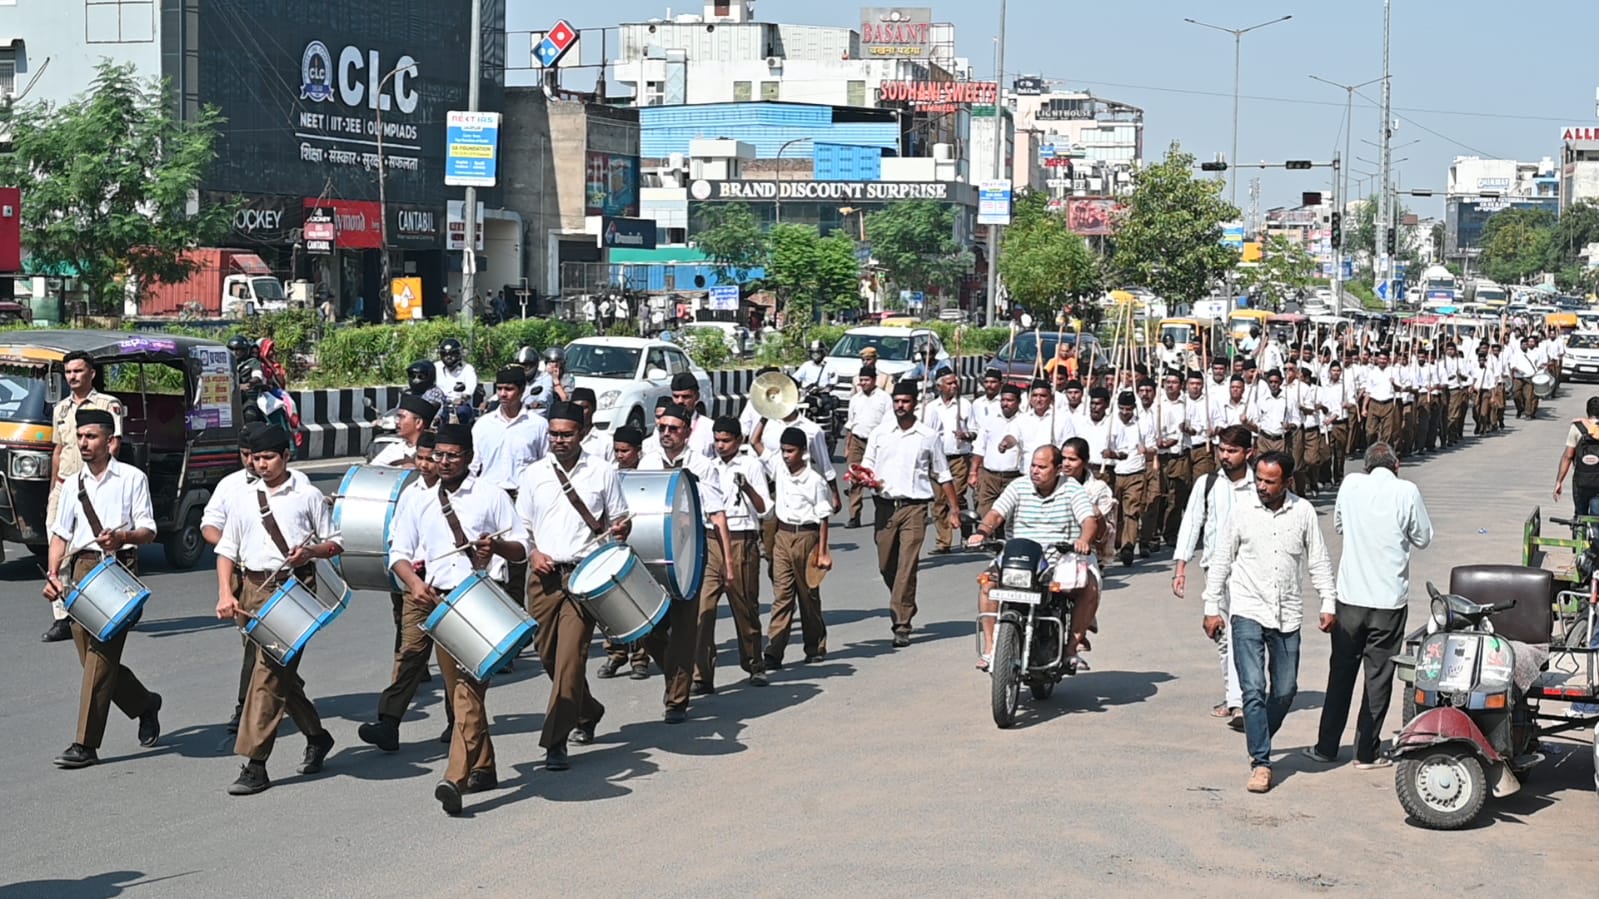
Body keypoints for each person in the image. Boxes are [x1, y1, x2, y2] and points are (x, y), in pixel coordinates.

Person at [386, 423, 528, 815]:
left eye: (452, 456)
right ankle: (484, 765)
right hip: (440, 604)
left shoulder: (491, 496)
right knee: (459, 690)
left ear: (470, 457)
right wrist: (413, 583)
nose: (442, 463)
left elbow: (521, 551)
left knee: (467, 688)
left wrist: (496, 545)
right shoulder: (418, 500)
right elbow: (397, 550)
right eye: (437, 456)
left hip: (482, 601)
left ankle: (455, 778)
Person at [214, 425, 341, 795]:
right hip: (252, 588)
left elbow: (335, 543)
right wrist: (226, 592)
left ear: (286, 456)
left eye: (268, 457)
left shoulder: (307, 495)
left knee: (267, 674)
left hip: (293, 588)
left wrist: (311, 553)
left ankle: (255, 764)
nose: (261, 465)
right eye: (255, 458)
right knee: (279, 673)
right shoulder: (242, 497)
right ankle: (317, 736)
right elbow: (226, 549)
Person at [1201, 451, 1337, 794]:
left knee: (1286, 689)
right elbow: (1221, 559)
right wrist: (1212, 605)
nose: (1261, 486)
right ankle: (1261, 761)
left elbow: (1318, 560)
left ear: (1287, 482)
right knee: (1252, 689)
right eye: (1258, 479)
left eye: (1269, 481)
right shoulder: (1242, 510)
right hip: (1246, 610)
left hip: (1287, 614)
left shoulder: (1303, 512)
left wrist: (1328, 601)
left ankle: (1258, 733)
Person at [41, 408, 161, 769]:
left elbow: (148, 530)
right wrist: (53, 574)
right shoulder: (73, 484)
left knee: (101, 658)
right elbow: (61, 534)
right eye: (80, 437)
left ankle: (85, 744)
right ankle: (144, 704)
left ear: (111, 442)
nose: (83, 443)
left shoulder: (132, 478)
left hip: (117, 569)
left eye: (91, 437)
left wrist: (122, 536)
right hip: (81, 571)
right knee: (91, 661)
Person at [515, 403, 630, 769]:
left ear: (582, 432)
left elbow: (620, 518)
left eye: (566, 434)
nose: (559, 441)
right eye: (554, 434)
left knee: (570, 658)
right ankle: (588, 710)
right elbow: (522, 528)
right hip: (544, 578)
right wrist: (533, 555)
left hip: (584, 578)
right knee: (549, 656)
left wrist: (622, 530)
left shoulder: (601, 471)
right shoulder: (534, 474)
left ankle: (554, 741)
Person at [1305, 442, 1433, 769]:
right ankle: (1366, 752)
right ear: (1397, 465)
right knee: (1378, 677)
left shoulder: (1350, 484)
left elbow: (1339, 525)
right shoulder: (1407, 491)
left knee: (1341, 673)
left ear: (1366, 466)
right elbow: (1423, 537)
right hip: (1388, 600)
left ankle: (1326, 746)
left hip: (1350, 598)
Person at [639, 403, 735, 721]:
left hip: (689, 554)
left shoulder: (703, 466)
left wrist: (728, 563)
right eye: (662, 428)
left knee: (683, 628)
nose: (666, 433)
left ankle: (676, 700)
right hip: (651, 555)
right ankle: (675, 673)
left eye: (673, 428)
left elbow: (716, 514)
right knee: (647, 626)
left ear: (687, 432)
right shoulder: (648, 462)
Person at [968, 446, 1100, 670]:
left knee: (1090, 587)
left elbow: (1089, 520)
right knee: (987, 582)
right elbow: (997, 513)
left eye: (1042, 467)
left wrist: (1084, 540)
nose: (1035, 471)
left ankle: (1070, 651)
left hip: (1057, 561)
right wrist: (982, 533)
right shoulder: (1018, 486)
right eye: (1033, 466)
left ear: (1057, 469)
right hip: (1017, 558)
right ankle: (991, 648)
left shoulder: (1072, 489)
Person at [855, 380, 959, 647]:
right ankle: (903, 600)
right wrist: (863, 478)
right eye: (897, 401)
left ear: (915, 403)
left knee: (907, 566)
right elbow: (867, 465)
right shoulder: (880, 433)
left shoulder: (928, 436)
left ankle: (901, 623)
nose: (900, 406)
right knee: (886, 565)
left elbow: (943, 474)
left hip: (914, 508)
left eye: (905, 402)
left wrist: (954, 509)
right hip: (885, 507)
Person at [1172, 424, 1256, 728]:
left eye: (1232, 451)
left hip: (1249, 571)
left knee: (1241, 635)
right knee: (1222, 636)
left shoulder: (1259, 484)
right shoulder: (1208, 483)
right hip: (1214, 571)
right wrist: (1180, 567)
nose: (1225, 455)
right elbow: (1191, 523)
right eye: (1222, 449)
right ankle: (1235, 694)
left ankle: (1241, 701)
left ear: (1249, 453)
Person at [41, 352, 127, 643]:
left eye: (78, 370)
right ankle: (63, 615)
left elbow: (114, 444)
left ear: (91, 373)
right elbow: (58, 450)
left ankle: (107, 608)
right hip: (65, 485)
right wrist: (55, 487)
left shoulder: (107, 405)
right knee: (58, 544)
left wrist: (99, 475)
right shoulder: (61, 409)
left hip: (94, 486)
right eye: (68, 372)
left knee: (99, 549)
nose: (72, 376)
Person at [696, 417, 771, 691]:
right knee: (703, 608)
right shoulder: (707, 467)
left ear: (738, 442)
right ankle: (701, 674)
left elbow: (764, 508)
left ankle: (754, 664)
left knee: (744, 605)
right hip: (712, 540)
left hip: (741, 537)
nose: (720, 445)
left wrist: (747, 487)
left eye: (726, 440)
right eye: (716, 440)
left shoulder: (750, 465)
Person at [758, 426, 834, 670]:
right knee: (782, 595)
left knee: (808, 596)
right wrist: (762, 412)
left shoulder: (815, 481)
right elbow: (756, 442)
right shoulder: (780, 469)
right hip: (782, 536)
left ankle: (814, 646)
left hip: (807, 538)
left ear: (802, 452)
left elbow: (823, 517)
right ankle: (774, 651)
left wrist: (822, 551)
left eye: (790, 451)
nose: (785, 455)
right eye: (782, 451)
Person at [597, 425, 653, 680]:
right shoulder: (608, 475)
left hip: (640, 546)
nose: (620, 455)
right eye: (617, 450)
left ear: (638, 452)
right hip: (610, 547)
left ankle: (640, 658)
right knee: (610, 605)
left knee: (638, 603)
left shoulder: (647, 477)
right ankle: (615, 653)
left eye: (625, 451)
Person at [924, 370, 976, 553]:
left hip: (959, 457)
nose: (954, 386)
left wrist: (966, 434)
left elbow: (975, 432)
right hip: (938, 459)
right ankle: (943, 542)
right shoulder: (931, 407)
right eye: (949, 383)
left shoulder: (965, 405)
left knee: (958, 496)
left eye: (955, 383)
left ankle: (967, 533)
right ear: (939, 386)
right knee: (939, 501)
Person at [843, 365, 892, 528]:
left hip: (877, 443)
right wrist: (847, 446)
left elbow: (889, 424)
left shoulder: (884, 399)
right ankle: (854, 515)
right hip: (857, 440)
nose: (863, 383)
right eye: (861, 380)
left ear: (874, 380)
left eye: (866, 380)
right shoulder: (855, 399)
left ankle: (884, 512)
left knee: (875, 478)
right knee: (854, 478)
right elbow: (850, 425)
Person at [970, 382, 1023, 518]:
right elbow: (979, 447)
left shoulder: (1025, 421)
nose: (1005, 403)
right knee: (984, 517)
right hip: (989, 477)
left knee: (1010, 518)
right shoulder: (990, 419)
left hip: (1013, 478)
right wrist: (973, 472)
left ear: (1018, 402)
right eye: (1003, 400)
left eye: (1010, 400)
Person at [1556, 396, 1599, 518]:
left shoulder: (1577, 428)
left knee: (1580, 516)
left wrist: (1559, 481)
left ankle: (1579, 532)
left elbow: (1568, 457)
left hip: (1582, 481)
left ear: (1588, 411)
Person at [669, 372, 718, 458]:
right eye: (676, 396)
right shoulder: (664, 427)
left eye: (685, 397)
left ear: (697, 396)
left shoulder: (710, 427)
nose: (680, 401)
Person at [435, 339, 479, 425]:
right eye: (445, 354)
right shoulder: (435, 367)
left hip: (458, 406)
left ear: (459, 354)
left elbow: (469, 390)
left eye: (452, 354)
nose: (448, 357)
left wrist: (461, 399)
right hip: (438, 404)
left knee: (462, 412)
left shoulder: (468, 369)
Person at [528, 347, 575, 418]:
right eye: (550, 363)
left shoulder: (567, 378)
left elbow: (566, 401)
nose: (553, 367)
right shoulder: (541, 377)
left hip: (558, 413)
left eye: (556, 364)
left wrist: (556, 381)